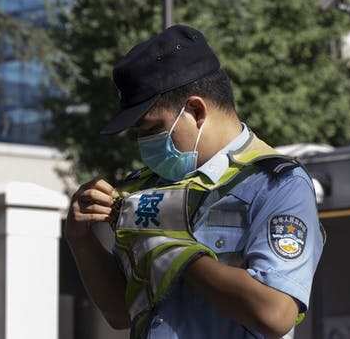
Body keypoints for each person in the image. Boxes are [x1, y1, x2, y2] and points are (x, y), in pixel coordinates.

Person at [65, 25, 325, 339]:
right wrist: (81, 239)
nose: (143, 143)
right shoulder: (145, 189)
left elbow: (275, 312)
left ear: (195, 110)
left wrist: (174, 254)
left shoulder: (275, 184)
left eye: (150, 129)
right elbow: (122, 312)